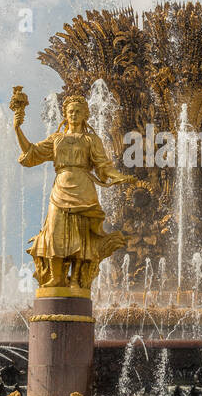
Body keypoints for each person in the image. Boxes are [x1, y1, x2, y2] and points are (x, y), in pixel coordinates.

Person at [15, 94, 135, 289]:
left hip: (84, 189)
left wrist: (118, 176)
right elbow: (32, 153)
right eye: (70, 111)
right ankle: (56, 277)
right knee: (53, 231)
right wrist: (17, 128)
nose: (74, 114)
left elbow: (103, 165)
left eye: (78, 111)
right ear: (65, 113)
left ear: (85, 115)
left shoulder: (90, 139)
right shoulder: (57, 138)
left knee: (81, 235)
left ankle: (78, 278)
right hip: (61, 187)